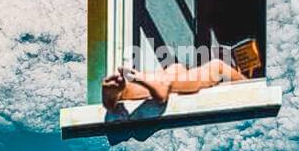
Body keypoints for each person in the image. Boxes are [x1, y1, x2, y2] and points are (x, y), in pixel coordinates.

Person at [102, 58, 244, 111]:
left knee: (170, 75)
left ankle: (122, 90)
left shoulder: (178, 70)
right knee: (217, 65)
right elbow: (244, 85)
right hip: (167, 83)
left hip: (163, 81)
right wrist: (243, 80)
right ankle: (127, 87)